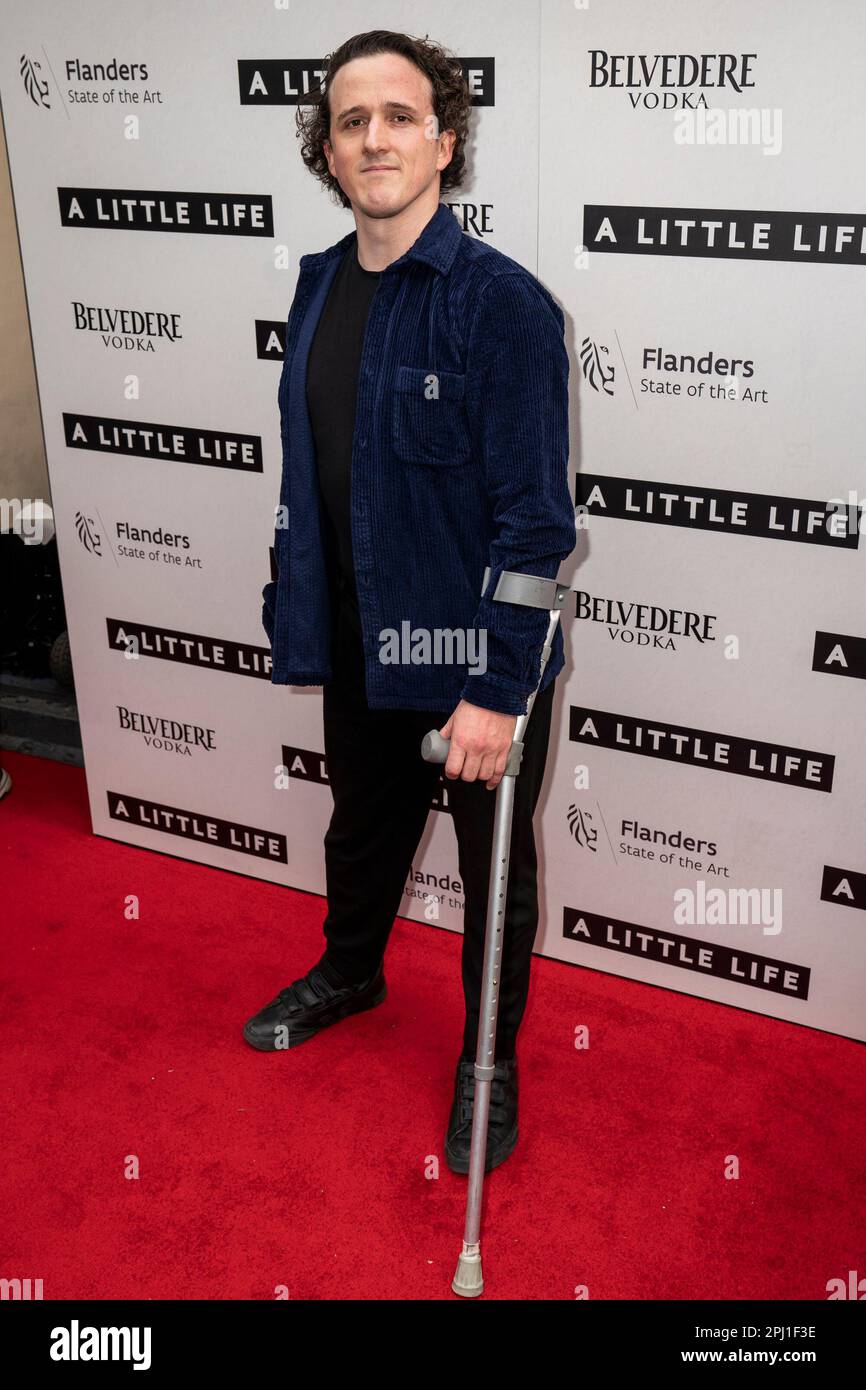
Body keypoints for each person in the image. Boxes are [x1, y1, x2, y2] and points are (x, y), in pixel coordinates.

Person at [244, 30, 576, 1175]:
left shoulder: (504, 307)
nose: (374, 137)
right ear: (326, 152)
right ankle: (351, 968)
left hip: (473, 657)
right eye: (350, 120)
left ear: (443, 140)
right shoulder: (320, 282)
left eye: (399, 115)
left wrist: (495, 690)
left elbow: (535, 526)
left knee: (495, 881)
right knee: (361, 831)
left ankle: (489, 1064)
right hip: (357, 637)